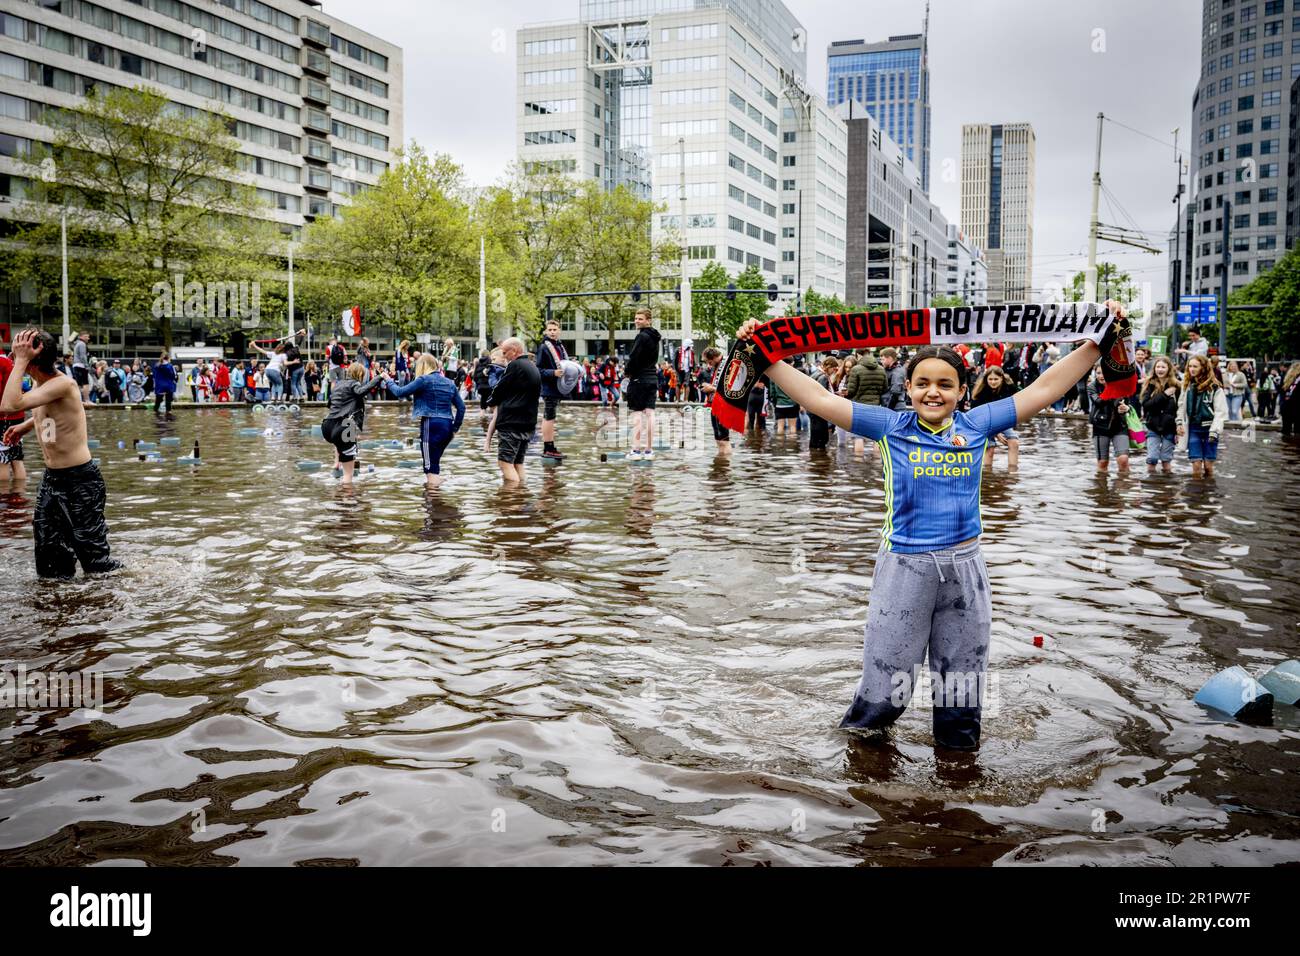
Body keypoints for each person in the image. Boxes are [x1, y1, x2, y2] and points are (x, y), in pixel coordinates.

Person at [730, 303, 1125, 750]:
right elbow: (820, 400)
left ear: (961, 391)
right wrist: (765, 355)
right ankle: (860, 768)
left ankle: (956, 784)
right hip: (904, 569)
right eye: (922, 383)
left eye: (944, 384)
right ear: (909, 388)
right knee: (885, 691)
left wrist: (1099, 340)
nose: (932, 393)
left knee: (961, 693)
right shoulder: (890, 427)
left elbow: (1047, 386)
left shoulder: (978, 425)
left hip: (965, 573)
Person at [1, 328, 120, 578]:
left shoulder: (63, 383)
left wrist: (20, 361)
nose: (13, 358)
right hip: (52, 480)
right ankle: (59, 610)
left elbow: (9, 405)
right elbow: (48, 409)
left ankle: (118, 602)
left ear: (32, 360)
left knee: (96, 565)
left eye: (17, 355)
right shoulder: (40, 382)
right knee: (49, 562)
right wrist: (25, 426)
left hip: (81, 482)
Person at [383, 353, 465, 490]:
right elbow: (461, 408)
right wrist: (455, 428)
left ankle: (433, 505)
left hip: (430, 424)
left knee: (429, 467)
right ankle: (438, 497)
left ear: (423, 366)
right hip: (447, 427)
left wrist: (388, 380)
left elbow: (399, 392)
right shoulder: (450, 383)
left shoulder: (423, 380)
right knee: (435, 463)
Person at [484, 337, 540, 485]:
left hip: (511, 422)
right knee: (518, 463)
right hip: (528, 422)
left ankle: (511, 502)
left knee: (505, 464)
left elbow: (500, 388)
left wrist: (490, 402)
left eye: (505, 352)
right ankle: (522, 494)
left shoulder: (514, 365)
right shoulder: (533, 367)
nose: (504, 356)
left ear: (514, 351)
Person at [321, 362, 383, 486]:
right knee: (348, 478)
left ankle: (337, 464)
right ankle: (347, 501)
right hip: (345, 427)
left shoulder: (338, 385)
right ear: (360, 374)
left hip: (327, 425)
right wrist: (379, 377)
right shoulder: (355, 384)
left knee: (341, 446)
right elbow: (361, 391)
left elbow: (329, 404)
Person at [1176, 354, 1228, 478]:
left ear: (1203, 368)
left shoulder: (1215, 387)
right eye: (1190, 366)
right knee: (1196, 465)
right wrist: (1179, 423)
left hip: (1210, 430)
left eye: (1195, 366)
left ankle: (1208, 492)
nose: (1192, 369)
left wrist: (1214, 431)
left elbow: (1221, 412)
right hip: (1194, 429)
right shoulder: (1187, 386)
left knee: (1208, 466)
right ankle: (1196, 495)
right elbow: (1181, 406)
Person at [623, 308, 661, 460]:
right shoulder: (655, 336)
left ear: (648, 320)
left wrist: (627, 371)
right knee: (650, 414)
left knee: (637, 414)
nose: (636, 321)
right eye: (636, 318)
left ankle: (636, 450)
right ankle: (649, 450)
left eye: (640, 318)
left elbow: (634, 358)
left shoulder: (642, 336)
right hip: (652, 378)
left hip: (639, 379)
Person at [968, 365, 1020, 470]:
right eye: (990, 379)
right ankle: (987, 474)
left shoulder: (1009, 388)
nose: (993, 382)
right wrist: (996, 433)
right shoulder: (980, 393)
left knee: (1014, 442)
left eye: (996, 379)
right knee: (990, 448)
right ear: (986, 379)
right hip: (983, 423)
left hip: (1002, 420)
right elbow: (978, 417)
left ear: (1002, 378)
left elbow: (1019, 403)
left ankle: (1013, 472)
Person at [534, 319, 569, 461]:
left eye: (555, 330)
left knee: (551, 417)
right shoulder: (544, 347)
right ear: (546, 331)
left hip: (556, 387)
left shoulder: (559, 346)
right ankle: (548, 447)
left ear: (559, 331)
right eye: (550, 330)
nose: (552, 332)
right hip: (549, 386)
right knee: (549, 417)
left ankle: (550, 446)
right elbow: (539, 370)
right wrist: (553, 373)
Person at [1139, 356, 1180, 475]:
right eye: (1158, 367)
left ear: (1169, 369)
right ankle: (1152, 486)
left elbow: (1180, 408)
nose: (1160, 369)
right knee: (1152, 459)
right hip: (1153, 426)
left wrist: (1179, 428)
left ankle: (1166, 488)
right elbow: (1146, 405)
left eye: (1163, 367)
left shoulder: (1176, 386)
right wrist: (1165, 395)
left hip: (1170, 427)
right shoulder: (1150, 384)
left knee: (1166, 460)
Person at [1087, 363, 1131, 473]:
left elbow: (1127, 403)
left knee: (1123, 459)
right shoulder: (1092, 387)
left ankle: (1124, 486)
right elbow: (1098, 401)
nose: (1101, 376)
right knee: (1102, 462)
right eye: (1098, 373)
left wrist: (1126, 408)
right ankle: (1101, 488)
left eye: (1105, 373)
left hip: (1119, 425)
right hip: (1100, 426)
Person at [843, 348, 886, 455]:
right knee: (877, 437)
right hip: (876, 407)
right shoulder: (881, 369)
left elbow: (851, 391)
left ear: (858, 355)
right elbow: (885, 389)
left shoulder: (856, 369)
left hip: (859, 408)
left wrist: (845, 393)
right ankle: (876, 462)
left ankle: (859, 464)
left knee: (859, 437)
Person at [0, 346, 29, 483]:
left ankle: (4, 497)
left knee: (2, 460)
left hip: (2, 416)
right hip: (17, 415)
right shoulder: (10, 361)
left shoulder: (1, 362)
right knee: (16, 459)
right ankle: (18, 495)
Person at [699, 346, 732, 457]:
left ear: (713, 357)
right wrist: (709, 387)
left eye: (709, 362)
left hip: (725, 405)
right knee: (718, 438)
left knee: (724, 439)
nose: (708, 365)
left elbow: (731, 388)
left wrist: (711, 388)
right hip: (715, 405)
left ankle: (725, 468)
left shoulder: (728, 363)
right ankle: (719, 465)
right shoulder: (717, 365)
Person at [807, 356, 839, 451]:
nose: (834, 371)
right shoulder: (823, 376)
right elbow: (822, 395)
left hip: (812, 408)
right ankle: (820, 459)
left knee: (814, 436)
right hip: (819, 410)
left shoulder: (815, 373)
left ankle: (814, 458)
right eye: (834, 369)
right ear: (828, 366)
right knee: (822, 438)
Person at [1280, 362, 1300, 438]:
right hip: (1296, 407)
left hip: (1286, 407)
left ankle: (1284, 447)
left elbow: (1282, 391)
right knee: (1297, 432)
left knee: (1285, 431)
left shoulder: (1287, 379)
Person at [72, 331, 92, 401]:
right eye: (86, 336)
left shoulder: (77, 344)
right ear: (81, 336)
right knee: (85, 383)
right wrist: (87, 366)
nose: (88, 338)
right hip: (81, 365)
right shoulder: (82, 344)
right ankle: (87, 400)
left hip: (76, 365)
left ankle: (79, 400)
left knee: (79, 384)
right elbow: (83, 356)